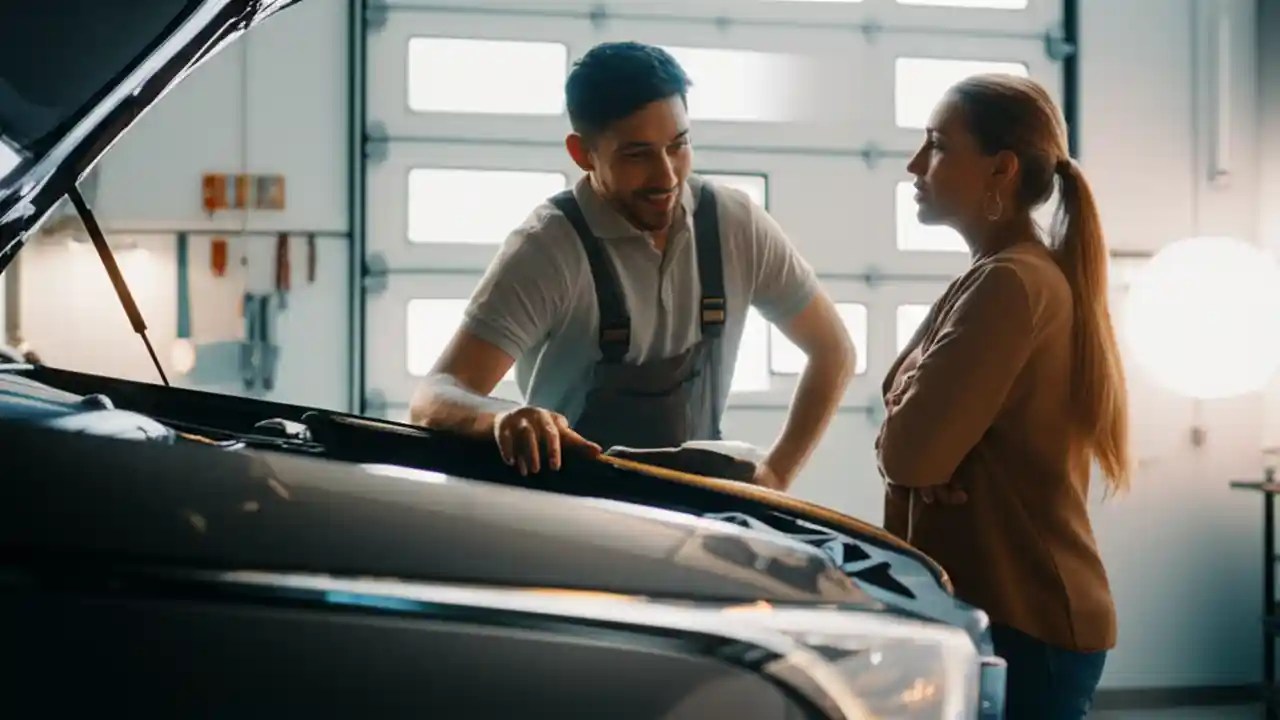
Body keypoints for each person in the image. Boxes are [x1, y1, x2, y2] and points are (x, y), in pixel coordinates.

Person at [409, 41, 856, 491]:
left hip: (696, 519)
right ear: (583, 154)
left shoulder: (735, 225)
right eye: (637, 155)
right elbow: (434, 396)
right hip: (574, 519)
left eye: (678, 146)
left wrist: (777, 474)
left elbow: (833, 350)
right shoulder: (547, 249)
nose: (666, 177)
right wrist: (501, 417)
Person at [874, 73, 1128, 719]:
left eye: (936, 145)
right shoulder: (1001, 276)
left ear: (1001, 169)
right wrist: (929, 452)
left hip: (1026, 620)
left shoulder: (1012, 285)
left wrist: (923, 454)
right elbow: (922, 454)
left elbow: (911, 460)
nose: (913, 164)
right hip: (1007, 613)